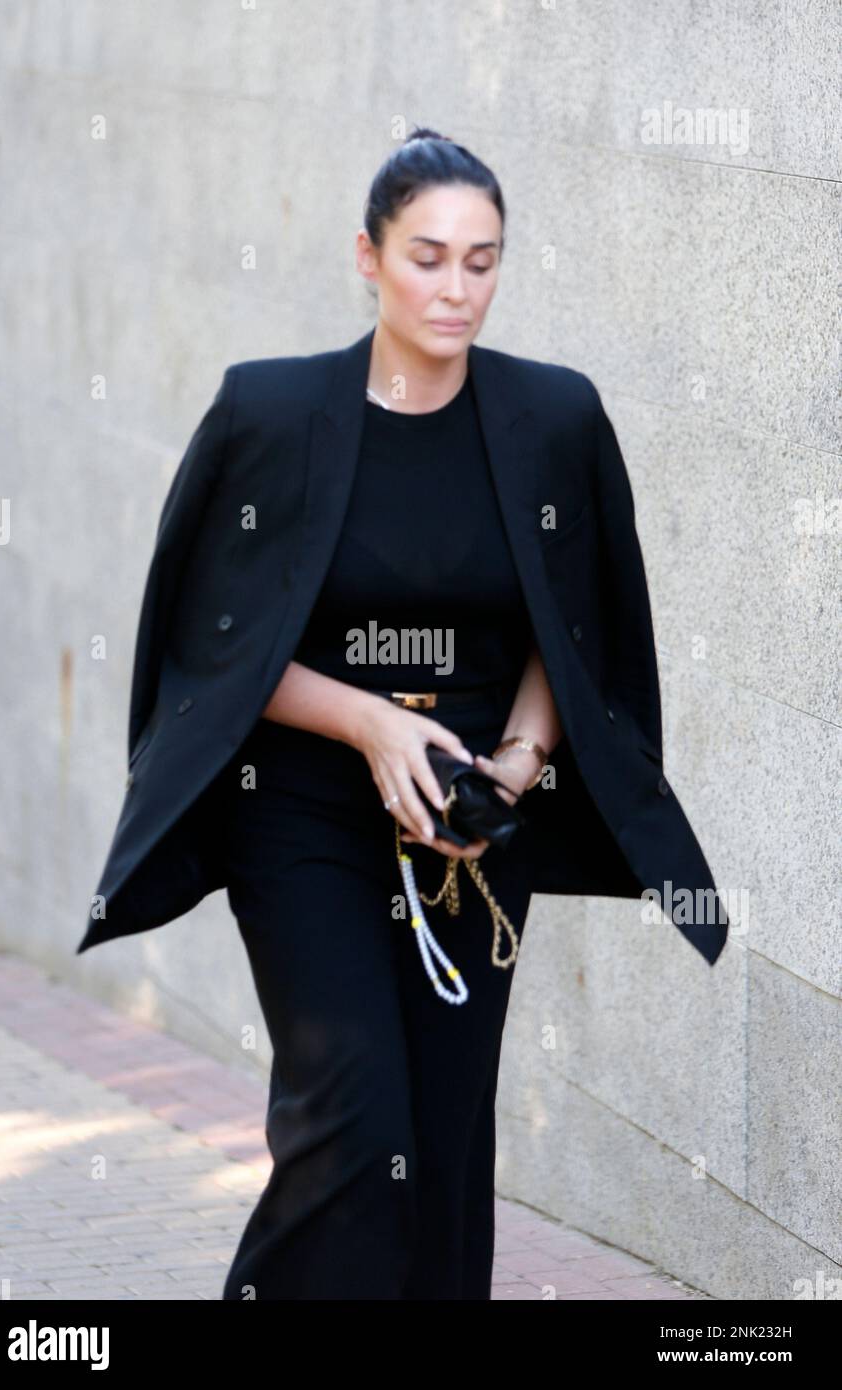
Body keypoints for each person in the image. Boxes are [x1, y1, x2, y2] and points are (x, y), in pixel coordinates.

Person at [79, 124, 728, 1300]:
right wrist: (373, 724)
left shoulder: (554, 418)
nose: (455, 287)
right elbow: (213, 648)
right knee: (349, 1120)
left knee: (439, 1143)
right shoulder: (269, 413)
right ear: (366, 258)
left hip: (466, 827)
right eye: (426, 256)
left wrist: (519, 763)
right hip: (299, 808)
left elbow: (568, 631)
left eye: (481, 260)